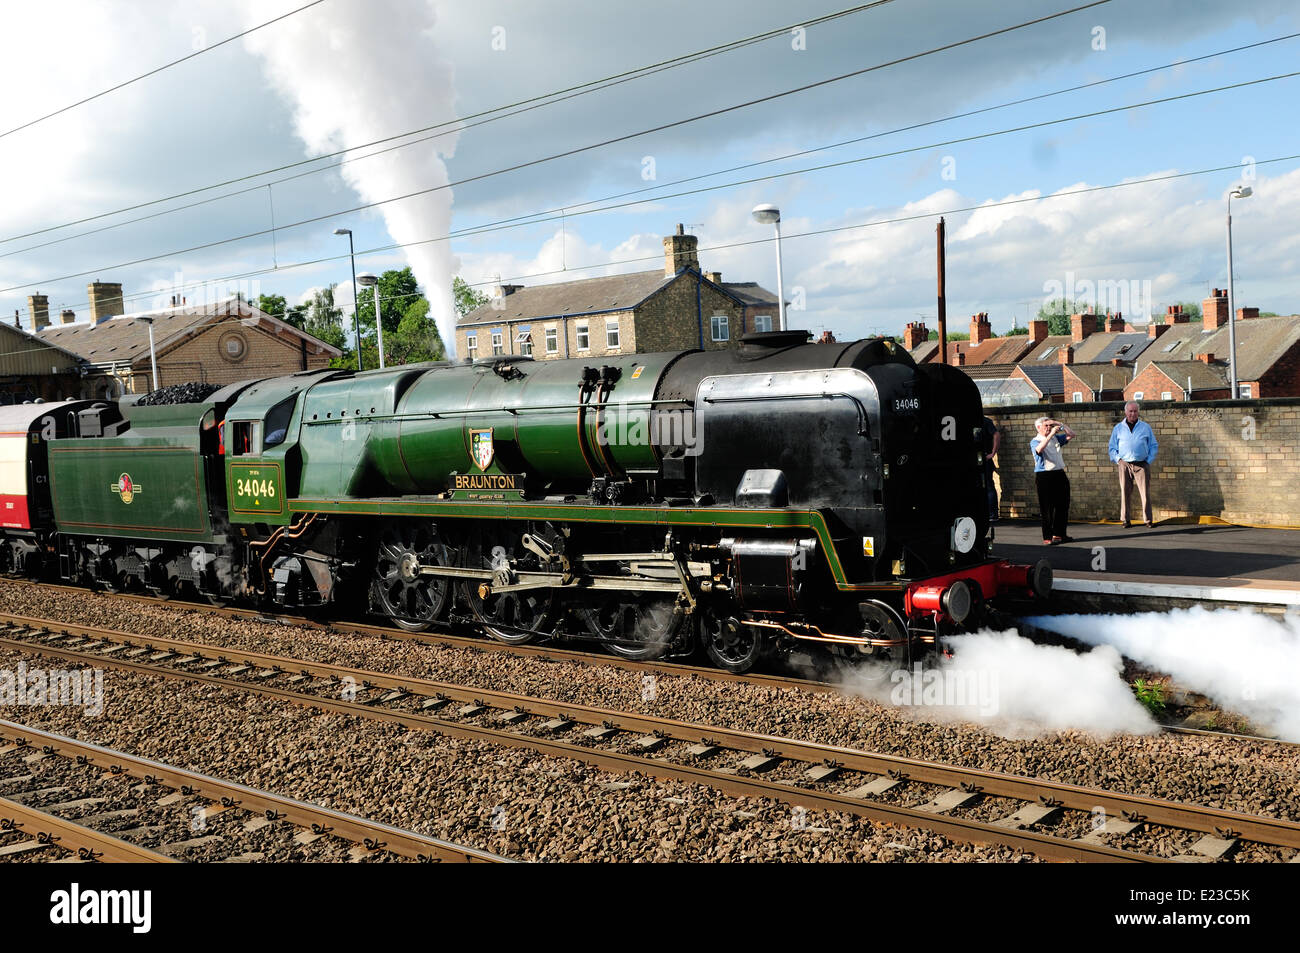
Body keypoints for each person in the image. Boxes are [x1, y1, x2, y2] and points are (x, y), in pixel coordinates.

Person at [1108, 401, 1158, 528]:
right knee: (1125, 492)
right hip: (1124, 464)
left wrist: (1148, 460)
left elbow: (1153, 445)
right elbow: (1112, 448)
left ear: (1138, 412)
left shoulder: (1145, 427)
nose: (1133, 413)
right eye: (1130, 411)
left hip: (1142, 464)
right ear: (1125, 412)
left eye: (1135, 411)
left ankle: (1148, 520)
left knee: (1145, 493)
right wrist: (1118, 460)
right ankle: (1125, 519)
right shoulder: (1118, 428)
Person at [1030, 416, 1075, 545]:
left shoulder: (1056, 438)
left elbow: (1072, 434)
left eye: (1049, 426)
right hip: (1044, 476)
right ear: (1038, 428)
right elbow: (1039, 450)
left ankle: (1059, 534)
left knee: (1063, 505)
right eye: (1046, 426)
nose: (1048, 428)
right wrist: (1050, 435)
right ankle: (1048, 537)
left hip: (1059, 474)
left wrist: (1059, 423)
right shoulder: (1035, 441)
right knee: (1047, 508)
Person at [980, 416, 1001, 538]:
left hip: (984, 458)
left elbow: (996, 435)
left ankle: (993, 514)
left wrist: (993, 453)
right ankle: (989, 513)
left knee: (988, 485)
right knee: (986, 486)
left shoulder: (985, 421)